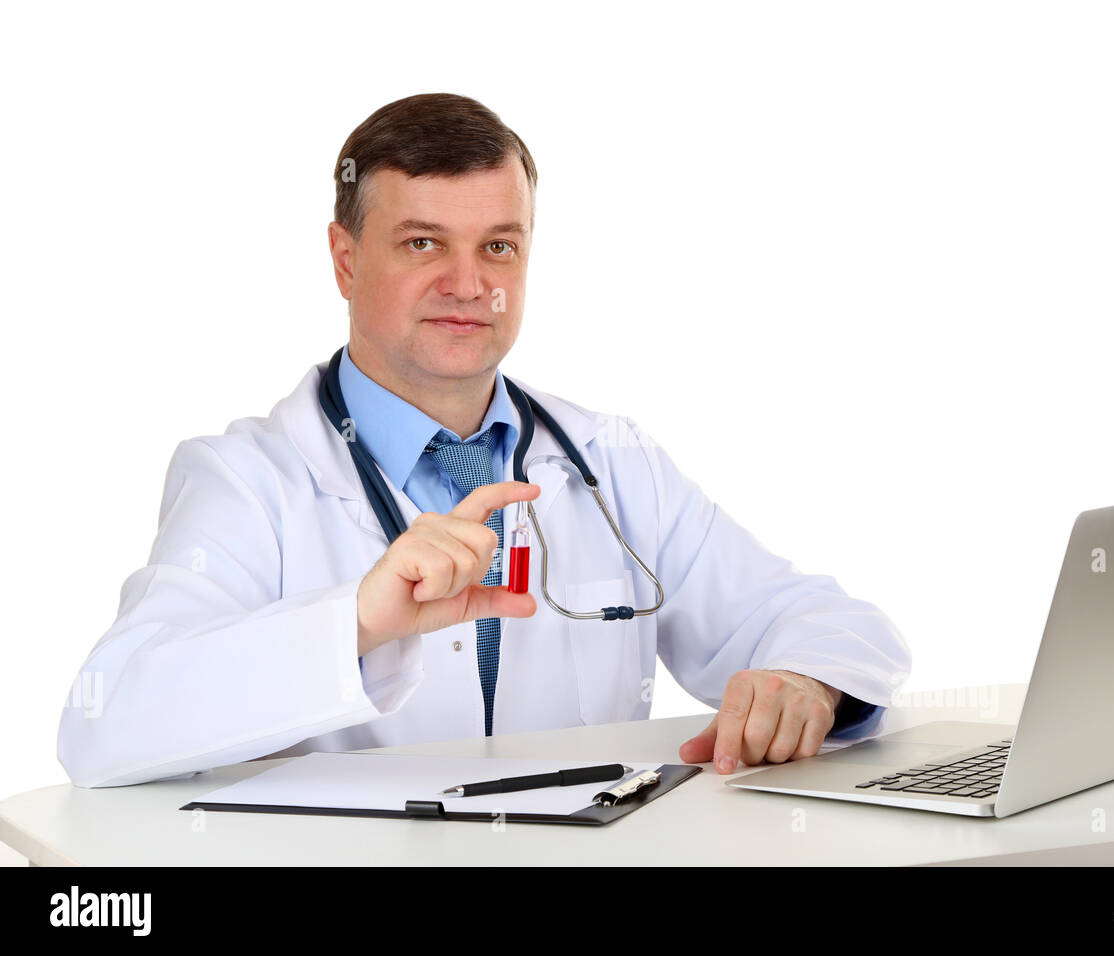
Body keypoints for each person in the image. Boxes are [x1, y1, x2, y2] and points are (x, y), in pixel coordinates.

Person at [57, 93, 912, 788]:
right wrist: (353, 622)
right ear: (346, 260)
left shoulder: (609, 460)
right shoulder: (249, 481)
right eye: (423, 242)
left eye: (498, 247)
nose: (469, 286)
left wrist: (805, 679)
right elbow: (104, 723)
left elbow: (825, 621)